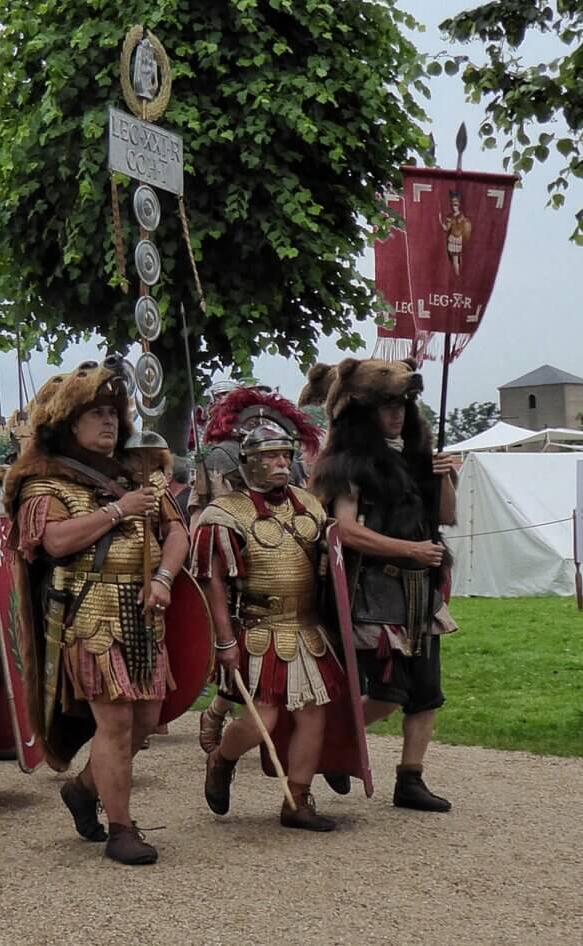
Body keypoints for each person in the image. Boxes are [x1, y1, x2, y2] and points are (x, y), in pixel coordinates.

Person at [5, 361, 188, 866]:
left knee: (147, 721)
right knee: (115, 723)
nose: (108, 422)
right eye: (95, 414)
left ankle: (85, 789)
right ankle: (121, 828)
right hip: (90, 615)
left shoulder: (137, 476)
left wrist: (164, 577)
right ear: (69, 424)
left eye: (112, 413)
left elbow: (177, 532)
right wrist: (119, 511)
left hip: (145, 609)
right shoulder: (44, 482)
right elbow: (53, 541)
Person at [303, 356, 460, 812]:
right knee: (390, 693)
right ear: (365, 410)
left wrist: (444, 475)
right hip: (374, 590)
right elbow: (345, 530)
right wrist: (408, 550)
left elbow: (445, 516)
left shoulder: (415, 458)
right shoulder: (348, 463)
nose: (397, 413)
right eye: (387, 404)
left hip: (419, 592)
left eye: (403, 404)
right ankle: (335, 742)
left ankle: (410, 780)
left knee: (427, 693)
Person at [194, 422, 343, 832]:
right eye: (269, 457)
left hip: (308, 628)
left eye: (284, 456)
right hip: (260, 629)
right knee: (264, 720)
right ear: (250, 463)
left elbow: (330, 567)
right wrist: (224, 640)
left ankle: (297, 800)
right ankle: (222, 758)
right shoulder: (225, 513)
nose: (280, 463)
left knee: (314, 716)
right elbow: (213, 583)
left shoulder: (310, 505)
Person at [190, 385, 324, 757]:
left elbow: (300, 493)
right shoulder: (217, 456)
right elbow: (201, 506)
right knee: (252, 687)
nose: (280, 460)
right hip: (236, 548)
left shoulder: (291, 470)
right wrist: (208, 542)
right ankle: (220, 733)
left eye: (284, 454)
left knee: (307, 708)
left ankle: (298, 790)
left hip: (286, 542)